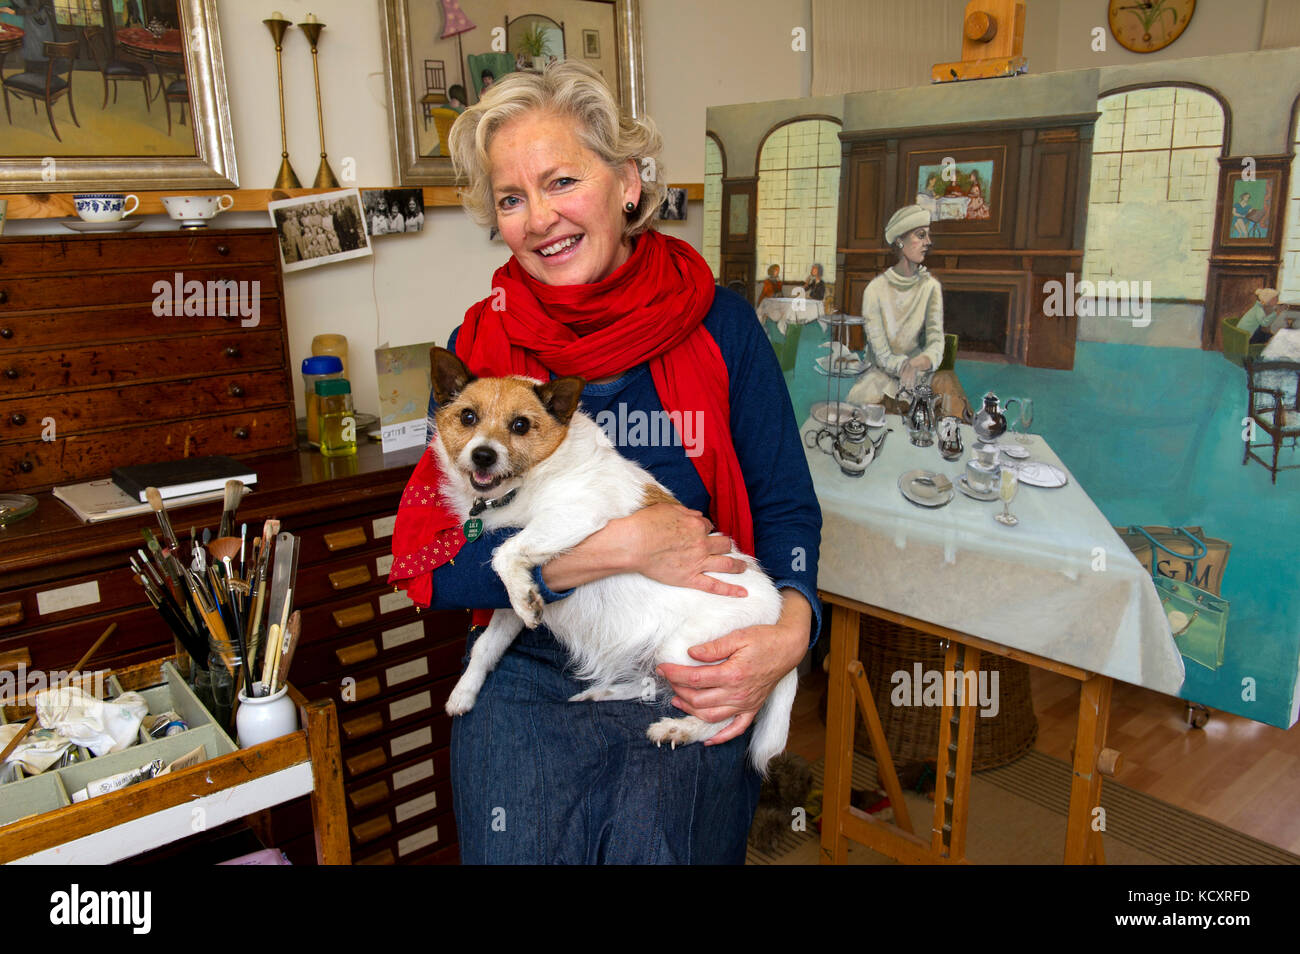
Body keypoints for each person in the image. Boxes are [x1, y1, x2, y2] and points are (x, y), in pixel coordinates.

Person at [389, 60, 821, 864]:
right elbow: (437, 568)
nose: (540, 218)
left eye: (561, 181)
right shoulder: (481, 354)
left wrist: (790, 635)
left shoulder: (721, 329)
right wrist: (615, 550)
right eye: (512, 199)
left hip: (685, 657)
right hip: (529, 666)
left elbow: (789, 511)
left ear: (626, 182)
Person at [847, 205, 964, 416]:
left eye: (928, 235)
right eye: (921, 235)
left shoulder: (931, 287)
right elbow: (881, 355)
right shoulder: (875, 290)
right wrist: (904, 366)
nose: (928, 242)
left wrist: (921, 361)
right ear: (900, 241)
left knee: (947, 386)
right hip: (882, 377)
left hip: (920, 374)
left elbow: (936, 340)